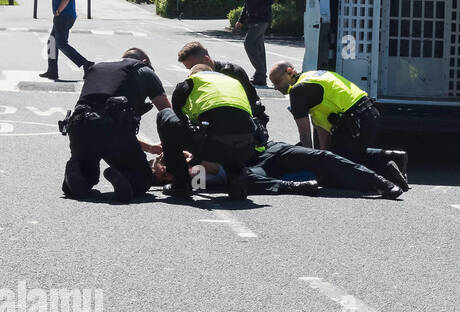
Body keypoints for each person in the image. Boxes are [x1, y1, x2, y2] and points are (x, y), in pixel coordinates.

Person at [268, 62, 408, 187]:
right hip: (370, 114)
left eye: (277, 81)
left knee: (341, 168)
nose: (275, 87)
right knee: (336, 160)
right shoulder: (313, 76)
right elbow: (322, 126)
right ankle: (395, 157)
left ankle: (386, 167)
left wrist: (310, 165)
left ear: (290, 71)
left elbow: (305, 135)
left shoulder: (297, 91)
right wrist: (324, 157)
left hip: (355, 121)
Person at [61, 48, 169, 202]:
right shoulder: (143, 70)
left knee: (88, 173)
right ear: (145, 61)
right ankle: (126, 178)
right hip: (113, 131)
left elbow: (97, 116)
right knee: (143, 176)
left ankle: (76, 173)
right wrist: (174, 148)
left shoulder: (97, 69)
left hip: (80, 127)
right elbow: (167, 114)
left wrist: (151, 147)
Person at [150, 141, 405, 199]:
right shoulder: (193, 181)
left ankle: (381, 179)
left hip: (265, 150)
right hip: (250, 171)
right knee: (247, 178)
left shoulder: (191, 153)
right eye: (163, 177)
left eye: (164, 169)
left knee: (321, 156)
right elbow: (214, 171)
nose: (166, 175)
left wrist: (188, 156)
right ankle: (296, 188)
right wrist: (187, 167)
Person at [156, 64, 262, 200]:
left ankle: (181, 183)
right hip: (246, 146)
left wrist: (188, 157)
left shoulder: (190, 82)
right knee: (229, 130)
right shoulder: (235, 82)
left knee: (165, 115)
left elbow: (178, 121)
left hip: (213, 144)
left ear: (191, 75)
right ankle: (236, 175)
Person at [177, 41, 270, 144]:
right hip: (211, 129)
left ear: (206, 59)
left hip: (240, 128)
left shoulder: (233, 73)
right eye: (189, 69)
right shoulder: (193, 80)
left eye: (194, 66)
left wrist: (260, 133)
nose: (192, 72)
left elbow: (255, 104)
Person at [39, 0, 92, 81]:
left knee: (61, 44)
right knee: (52, 42)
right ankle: (52, 71)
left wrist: (58, 11)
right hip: (62, 16)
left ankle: (86, 64)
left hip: (64, 16)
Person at [234, 0, 274, 86]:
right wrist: (241, 20)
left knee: (248, 44)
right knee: (259, 47)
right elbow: (247, 3)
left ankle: (260, 72)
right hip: (253, 19)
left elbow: (270, 0)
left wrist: (256, 12)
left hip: (261, 19)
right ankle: (261, 77)